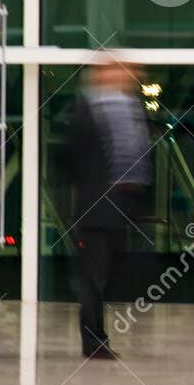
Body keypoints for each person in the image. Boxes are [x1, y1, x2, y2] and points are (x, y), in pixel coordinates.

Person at [69, 55, 153, 360]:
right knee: (94, 278)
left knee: (108, 276)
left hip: (121, 207)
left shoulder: (130, 106)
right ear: (105, 73)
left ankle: (97, 336)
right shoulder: (89, 108)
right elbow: (72, 158)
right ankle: (93, 341)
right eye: (124, 69)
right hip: (96, 209)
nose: (132, 74)